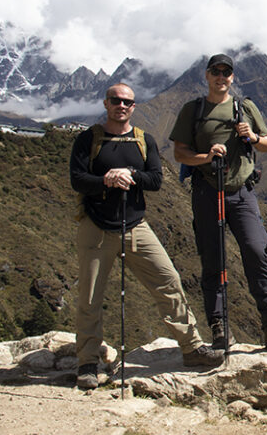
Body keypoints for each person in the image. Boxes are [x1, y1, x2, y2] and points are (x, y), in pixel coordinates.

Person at [70, 83, 223, 390]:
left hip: (136, 225)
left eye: (127, 102)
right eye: (116, 100)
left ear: (134, 107)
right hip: (96, 225)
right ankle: (87, 362)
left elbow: (155, 179)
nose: (121, 106)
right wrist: (106, 179)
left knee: (168, 281)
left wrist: (130, 175)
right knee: (90, 296)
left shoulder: (144, 140)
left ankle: (192, 348)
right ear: (106, 103)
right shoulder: (88, 139)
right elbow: (78, 180)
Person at [170, 53, 267, 350]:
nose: (221, 77)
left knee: (257, 251)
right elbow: (180, 153)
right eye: (215, 72)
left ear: (232, 77)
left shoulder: (245, 107)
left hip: (242, 193)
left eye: (226, 72)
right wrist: (206, 157)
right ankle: (219, 328)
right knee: (213, 260)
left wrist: (253, 137)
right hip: (207, 191)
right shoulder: (193, 110)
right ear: (206, 75)